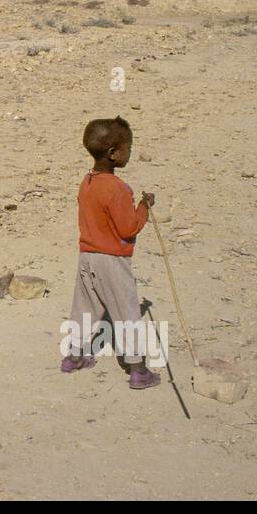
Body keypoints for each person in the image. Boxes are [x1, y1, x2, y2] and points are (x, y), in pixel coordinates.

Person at [61, 116, 160, 390]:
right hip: (112, 261)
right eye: (129, 147)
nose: (131, 152)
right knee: (127, 312)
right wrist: (144, 207)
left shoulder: (87, 182)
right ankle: (138, 370)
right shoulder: (117, 189)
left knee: (84, 309)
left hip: (87, 257)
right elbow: (129, 228)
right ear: (113, 153)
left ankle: (74, 357)